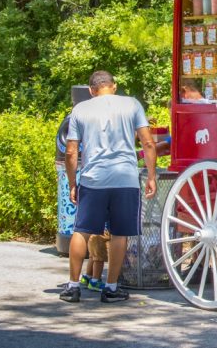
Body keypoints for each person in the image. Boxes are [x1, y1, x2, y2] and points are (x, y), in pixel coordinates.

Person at [60, 71, 157, 303]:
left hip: (93, 180)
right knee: (119, 233)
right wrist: (151, 175)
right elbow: (148, 142)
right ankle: (111, 288)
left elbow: (71, 152)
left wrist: (73, 183)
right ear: (113, 87)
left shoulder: (80, 110)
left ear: (92, 90)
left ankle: (73, 287)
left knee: (81, 230)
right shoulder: (132, 104)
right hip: (125, 179)